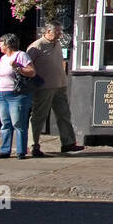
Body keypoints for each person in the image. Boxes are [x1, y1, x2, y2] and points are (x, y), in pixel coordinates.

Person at [27, 20, 84, 156]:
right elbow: (26, 65)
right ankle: (33, 145)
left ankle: (68, 143)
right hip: (44, 87)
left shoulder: (57, 43)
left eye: (60, 31)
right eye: (57, 31)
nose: (60, 34)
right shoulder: (36, 46)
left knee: (64, 114)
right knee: (38, 116)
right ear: (48, 32)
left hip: (59, 86)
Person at [0, 33, 36, 159]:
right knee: (5, 123)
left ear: (7, 44)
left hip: (16, 95)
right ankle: (5, 150)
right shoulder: (3, 58)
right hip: (2, 94)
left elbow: (32, 72)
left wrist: (17, 68)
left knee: (18, 123)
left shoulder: (21, 55)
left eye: (1, 43)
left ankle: (21, 151)